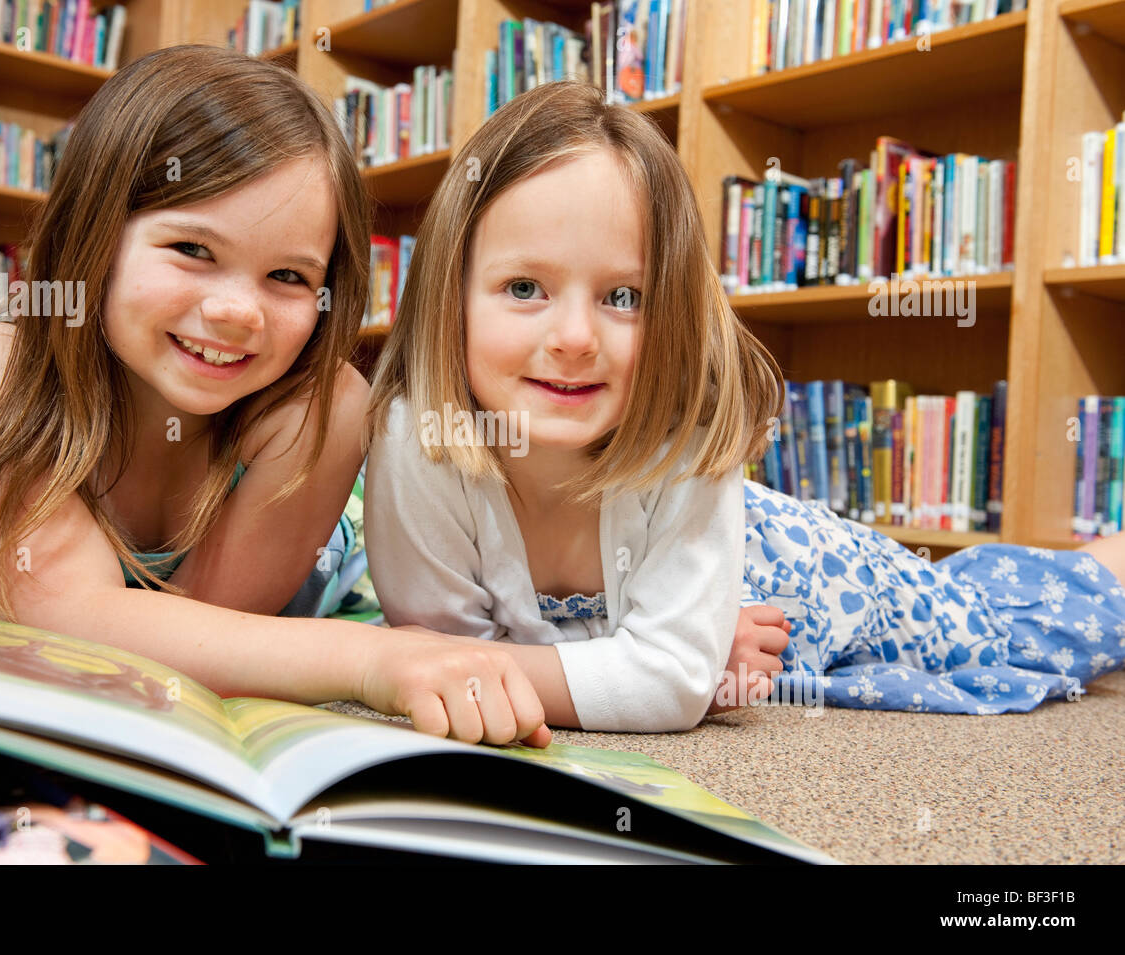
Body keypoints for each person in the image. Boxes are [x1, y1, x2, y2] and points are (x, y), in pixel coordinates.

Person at [0, 46, 550, 748]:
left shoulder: (322, 411)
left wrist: (376, 658)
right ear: (95, 234)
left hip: (338, 597)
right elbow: (79, 617)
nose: (239, 311)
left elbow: (188, 647)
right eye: (194, 250)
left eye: (289, 277)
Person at [362, 80, 1125, 732]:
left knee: (1007, 619)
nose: (573, 337)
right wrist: (659, 656)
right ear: (447, 295)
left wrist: (672, 665)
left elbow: (624, 679)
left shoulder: (682, 432)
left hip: (806, 568)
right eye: (524, 288)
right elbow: (459, 674)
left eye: (623, 296)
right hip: (717, 596)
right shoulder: (416, 437)